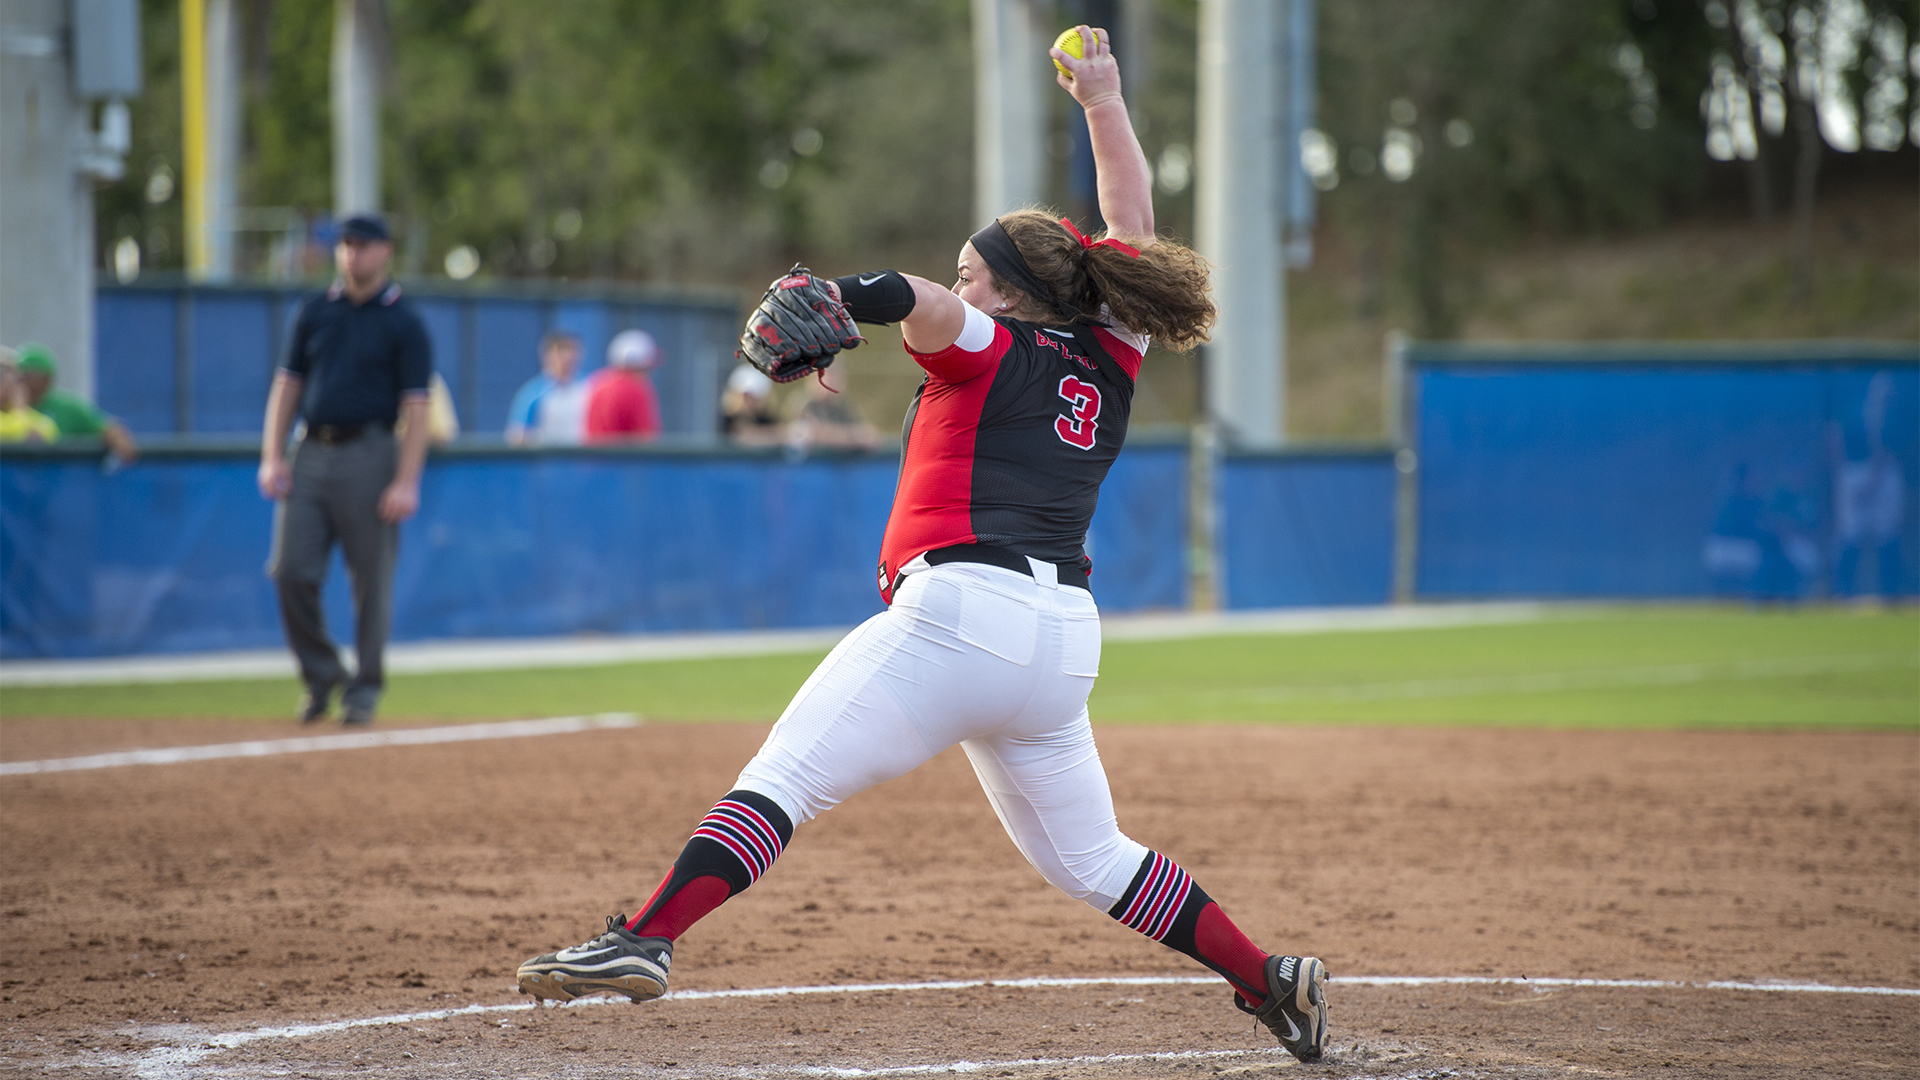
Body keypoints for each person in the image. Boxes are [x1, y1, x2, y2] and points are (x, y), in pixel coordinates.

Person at [515, 26, 1329, 1064]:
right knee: (1094, 861)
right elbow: (1132, 221)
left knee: (785, 780)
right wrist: (1104, 101)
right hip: (1060, 643)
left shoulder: (995, 341)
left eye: (975, 271)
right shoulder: (1111, 357)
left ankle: (645, 939)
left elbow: (918, 298)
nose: (965, 283)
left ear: (1010, 291)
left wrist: (847, 299)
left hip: (961, 617)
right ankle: (1270, 981)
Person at [258, 214, 433, 728]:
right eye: (345, 245)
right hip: (310, 450)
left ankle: (364, 689)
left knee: (370, 581)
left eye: (362, 245)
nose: (352, 254)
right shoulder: (315, 311)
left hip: (371, 452)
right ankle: (322, 673)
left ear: (386, 251)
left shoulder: (404, 320)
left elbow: (417, 407)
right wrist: (271, 455)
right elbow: (287, 386)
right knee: (290, 570)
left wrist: (406, 480)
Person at [14, 343, 139, 461]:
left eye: (30, 374)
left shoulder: (67, 407)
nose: (22, 380)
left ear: (48, 379)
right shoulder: (5, 406)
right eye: (19, 374)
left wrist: (118, 439)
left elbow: (104, 426)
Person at [505, 331, 589, 446]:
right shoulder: (532, 392)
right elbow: (516, 435)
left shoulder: (591, 387)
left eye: (572, 350)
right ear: (547, 355)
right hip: (547, 462)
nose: (567, 356)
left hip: (583, 461)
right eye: (561, 350)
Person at [583, 329, 664, 443]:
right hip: (625, 460)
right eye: (647, 368)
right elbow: (647, 439)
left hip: (593, 459)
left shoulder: (596, 382)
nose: (650, 373)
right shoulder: (636, 389)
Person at [788, 362, 880, 452]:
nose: (832, 380)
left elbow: (867, 434)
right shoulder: (804, 403)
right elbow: (811, 433)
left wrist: (856, 436)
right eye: (827, 375)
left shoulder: (844, 405)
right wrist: (853, 437)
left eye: (836, 376)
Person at [0, 349, 59, 444]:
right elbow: (10, 433)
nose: (17, 388)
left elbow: (49, 430)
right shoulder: (20, 410)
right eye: (11, 383)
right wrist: (20, 411)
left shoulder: (18, 410)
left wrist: (20, 410)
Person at [720, 363, 782, 446]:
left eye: (754, 397)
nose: (749, 401)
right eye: (745, 396)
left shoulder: (767, 420)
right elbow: (742, 435)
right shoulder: (721, 421)